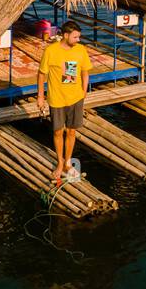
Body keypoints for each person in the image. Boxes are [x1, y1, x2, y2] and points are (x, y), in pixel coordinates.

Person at [36, 20, 91, 182]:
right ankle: (60, 162)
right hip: (56, 99)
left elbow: (85, 72)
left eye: (79, 37)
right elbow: (41, 74)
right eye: (75, 37)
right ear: (65, 35)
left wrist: (83, 92)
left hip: (75, 98)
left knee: (72, 131)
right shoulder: (51, 51)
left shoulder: (81, 50)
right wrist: (40, 96)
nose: (78, 40)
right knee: (58, 131)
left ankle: (68, 163)